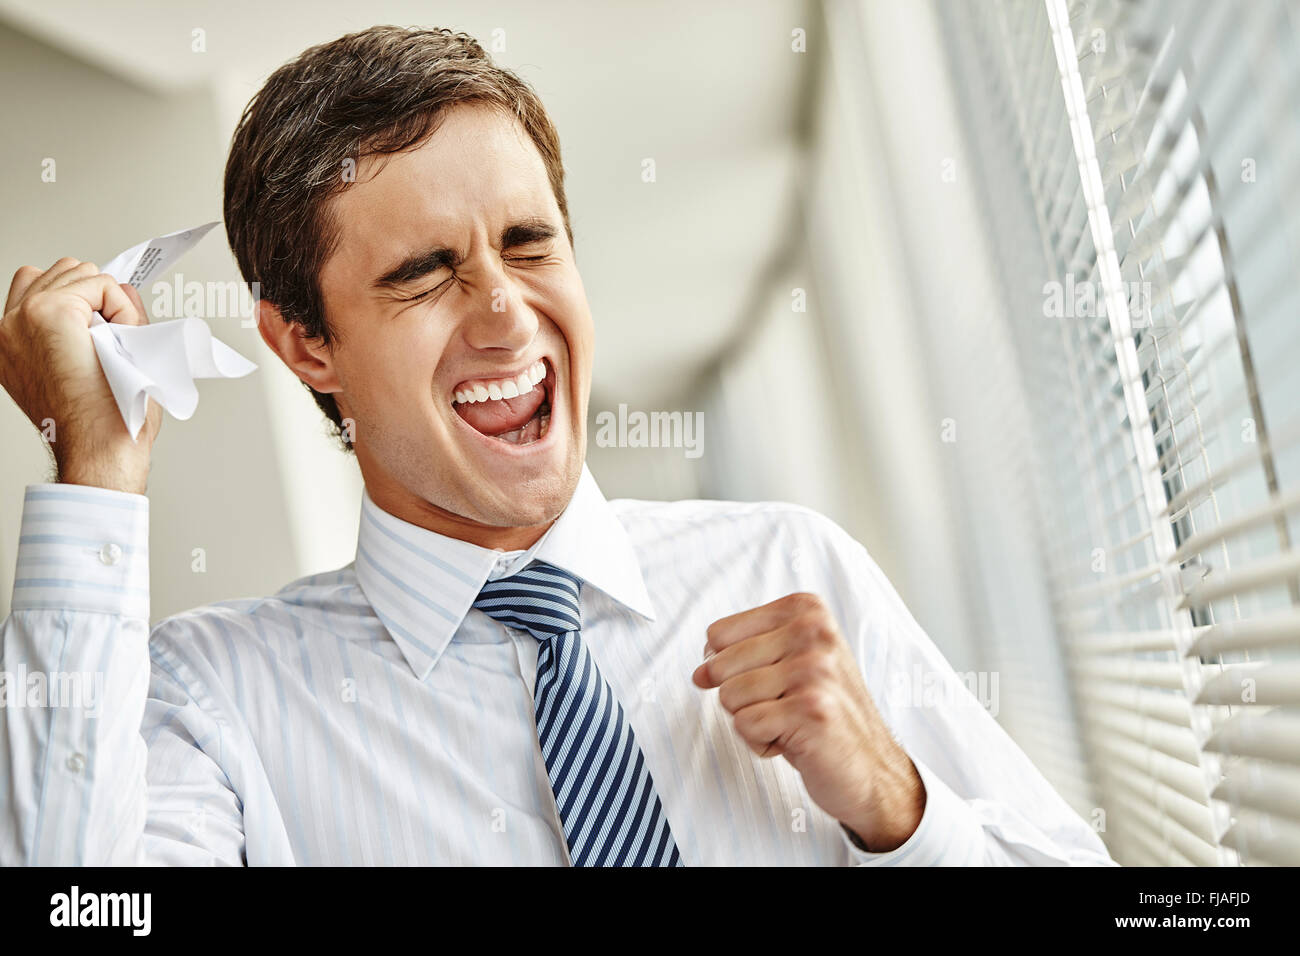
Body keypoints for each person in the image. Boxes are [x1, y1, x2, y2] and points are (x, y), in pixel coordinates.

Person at [0, 26, 1113, 866]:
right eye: (423, 271)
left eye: (529, 243)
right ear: (305, 343)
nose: (501, 312)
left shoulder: (789, 567)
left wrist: (897, 806)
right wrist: (95, 475)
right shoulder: (219, 699)